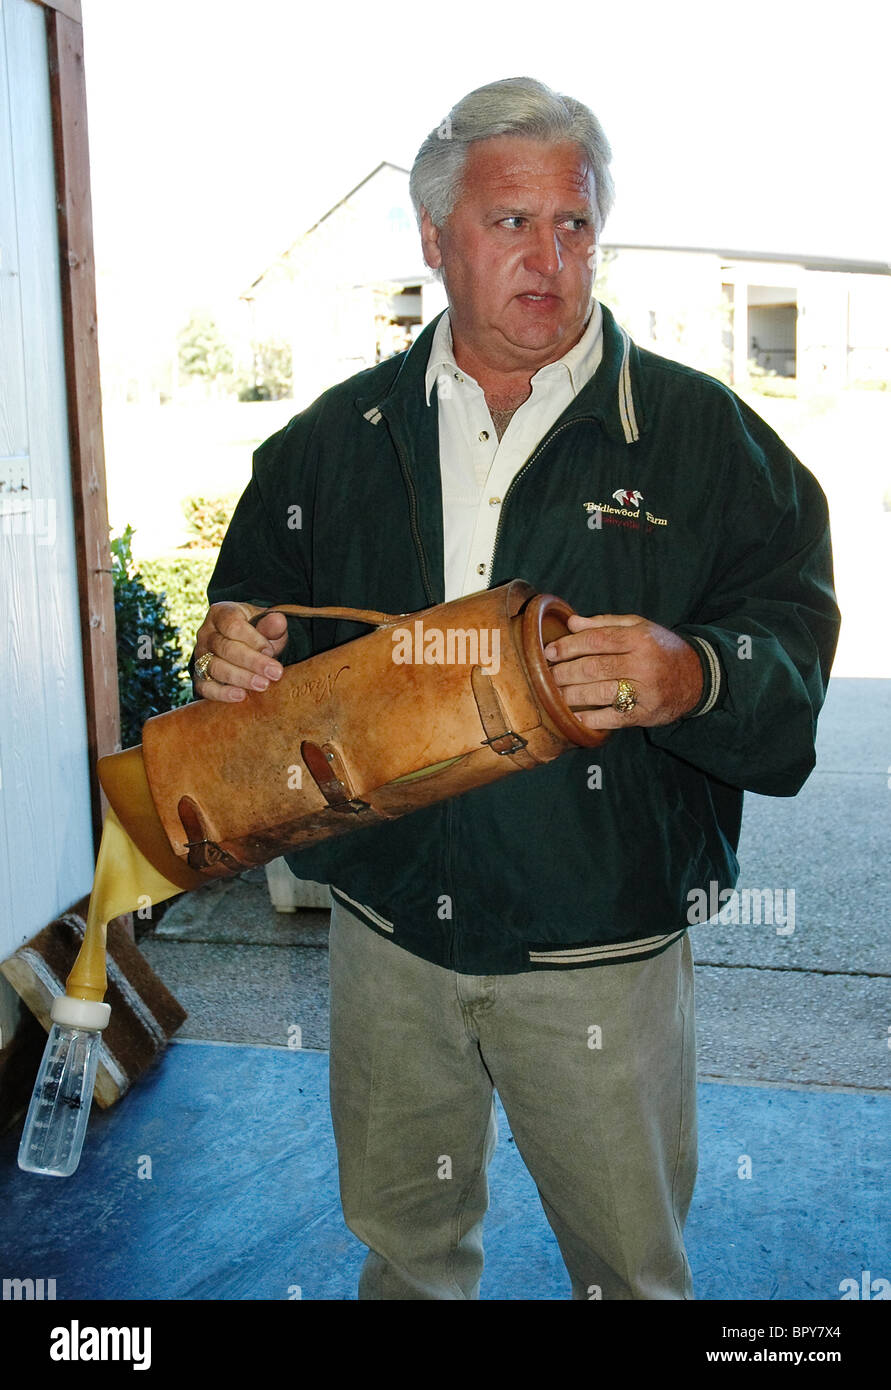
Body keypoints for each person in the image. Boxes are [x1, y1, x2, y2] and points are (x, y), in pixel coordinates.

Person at [189, 77, 840, 1300]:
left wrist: (696, 672)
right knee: (407, 1258)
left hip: (603, 947)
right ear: (435, 240)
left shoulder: (704, 441)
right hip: (389, 944)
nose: (551, 258)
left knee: (632, 1275)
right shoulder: (332, 444)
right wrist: (224, 653)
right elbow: (248, 632)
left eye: (575, 224)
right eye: (510, 226)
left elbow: (795, 657)